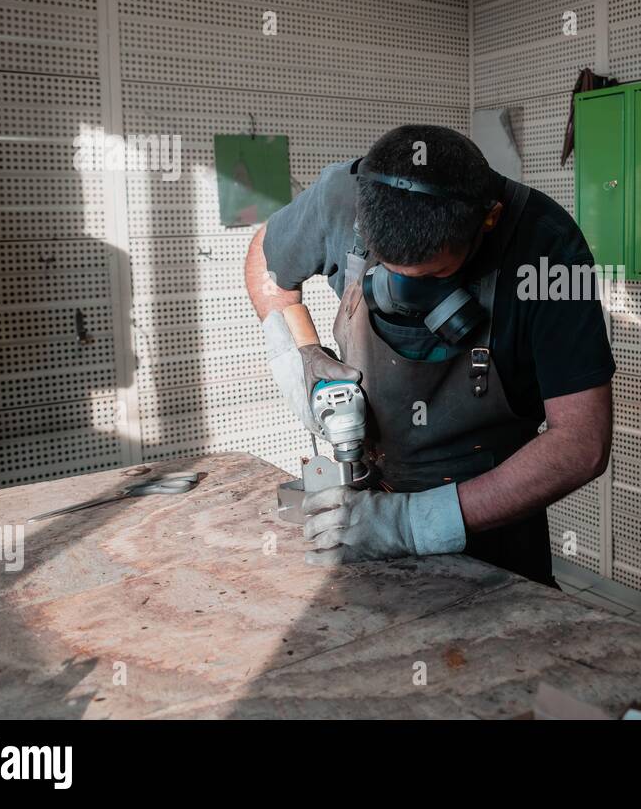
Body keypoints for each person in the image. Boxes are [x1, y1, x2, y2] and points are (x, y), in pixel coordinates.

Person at [244, 125, 615, 586]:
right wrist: (299, 353)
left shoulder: (549, 251)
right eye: (389, 270)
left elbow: (582, 442)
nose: (403, 294)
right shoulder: (342, 195)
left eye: (434, 272)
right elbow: (266, 254)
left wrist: (411, 524)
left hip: (487, 516)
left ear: (489, 220)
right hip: (365, 489)